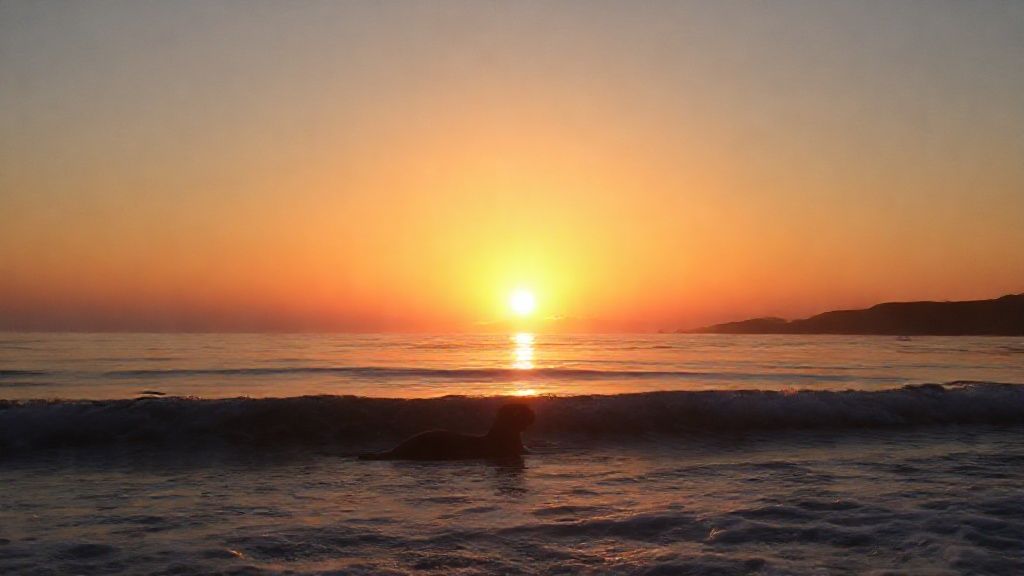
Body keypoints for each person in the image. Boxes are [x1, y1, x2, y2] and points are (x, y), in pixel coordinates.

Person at [359, 403, 535, 460]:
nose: (527, 427)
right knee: (392, 457)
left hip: (435, 440)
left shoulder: (504, 441)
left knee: (389, 456)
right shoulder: (504, 444)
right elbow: (516, 451)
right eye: (525, 423)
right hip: (436, 443)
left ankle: (383, 456)